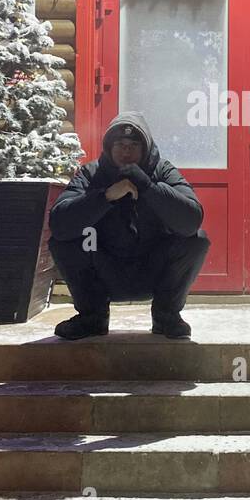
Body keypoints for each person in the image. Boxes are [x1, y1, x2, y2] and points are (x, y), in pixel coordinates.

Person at [48, 110, 210, 340]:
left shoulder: (162, 171)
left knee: (196, 240)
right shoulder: (92, 173)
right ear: (109, 147)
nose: (126, 150)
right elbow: (59, 224)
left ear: (145, 149)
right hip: (105, 271)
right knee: (66, 241)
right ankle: (91, 317)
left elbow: (191, 220)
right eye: (120, 144)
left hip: (152, 269)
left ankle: (167, 316)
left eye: (134, 144)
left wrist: (148, 187)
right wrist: (105, 197)